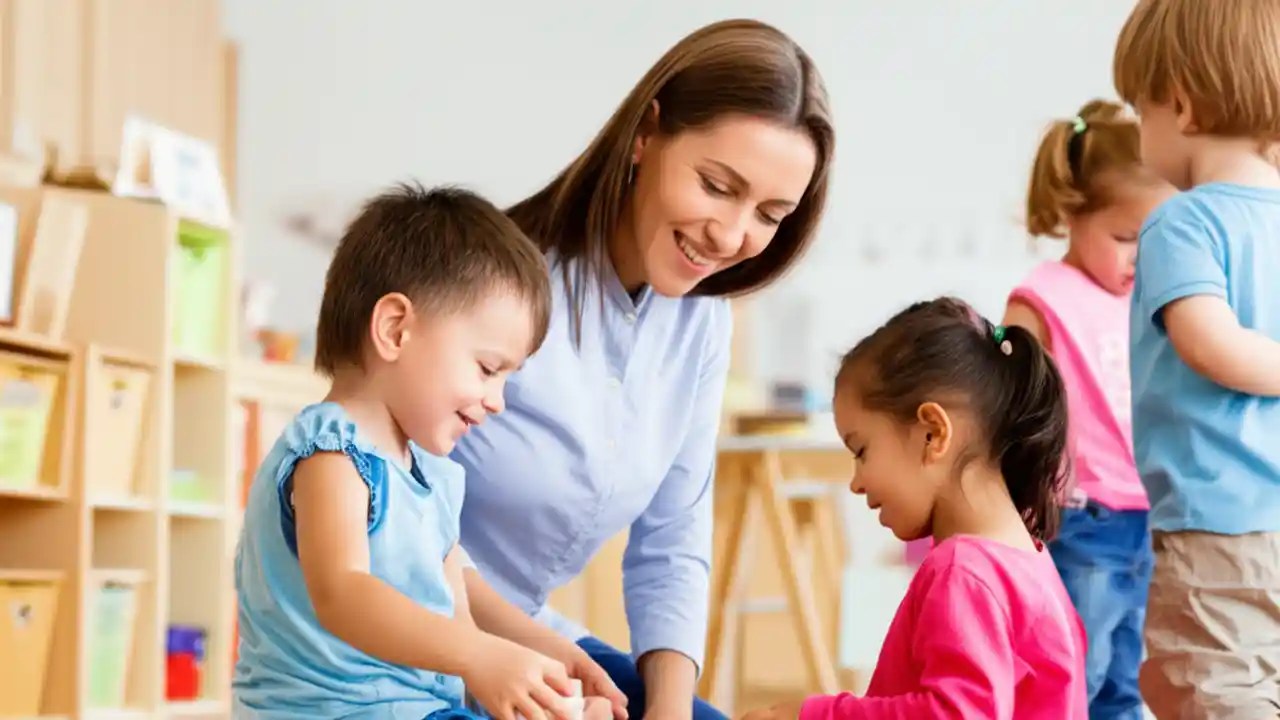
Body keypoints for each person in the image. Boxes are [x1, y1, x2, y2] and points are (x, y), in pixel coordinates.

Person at [449, 17, 835, 720]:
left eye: (770, 214)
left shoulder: (702, 322)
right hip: (425, 636)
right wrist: (543, 663)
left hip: (537, 646)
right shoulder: (493, 284)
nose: (731, 236)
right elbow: (394, 525)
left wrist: (669, 711)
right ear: (646, 134)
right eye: (718, 186)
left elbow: (672, 540)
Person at [232, 184, 612, 720]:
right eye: (487, 369)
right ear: (394, 329)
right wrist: (479, 657)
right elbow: (343, 593)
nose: (497, 401)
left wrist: (552, 649)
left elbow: (465, 596)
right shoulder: (332, 455)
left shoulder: (430, 474)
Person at [741, 298, 1088, 719]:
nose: (857, 481)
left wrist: (813, 716)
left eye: (862, 450)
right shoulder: (1029, 560)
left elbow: (956, 714)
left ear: (932, 432)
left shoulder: (964, 571)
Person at [1112, 1, 1280, 717]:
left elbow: (1207, 341)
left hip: (1218, 521)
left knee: (1215, 691)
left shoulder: (1184, 218)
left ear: (1178, 103)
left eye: (1138, 110)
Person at [1003, 99, 1173, 720]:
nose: (1140, 258)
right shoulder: (1043, 298)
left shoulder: (1157, 298)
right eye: (1125, 238)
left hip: (1147, 515)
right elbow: (1009, 407)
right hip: (1083, 520)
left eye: (1153, 240)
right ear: (1074, 215)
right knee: (1077, 671)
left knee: (1127, 677)